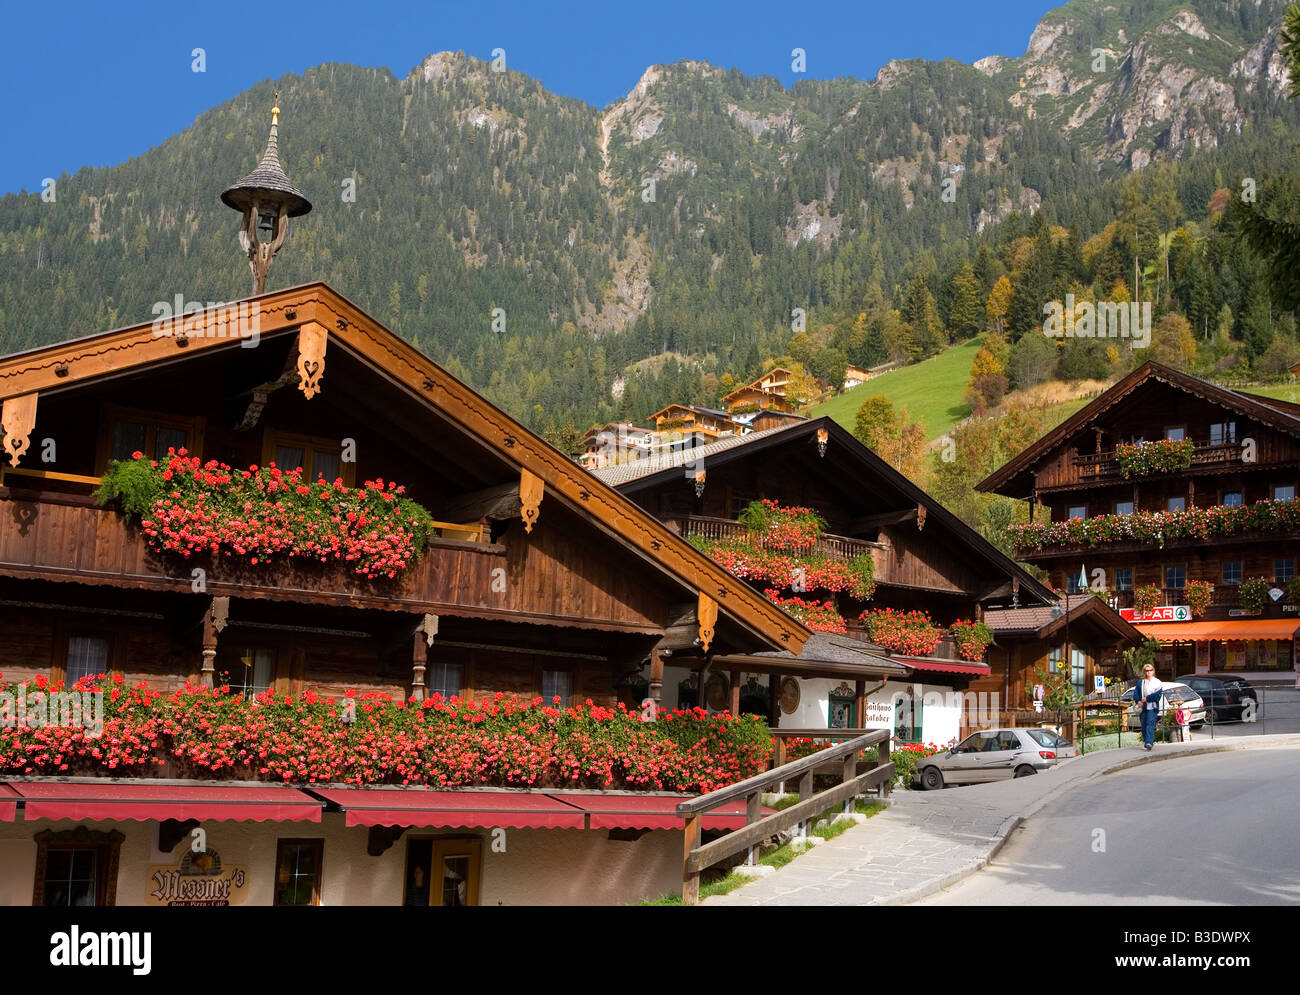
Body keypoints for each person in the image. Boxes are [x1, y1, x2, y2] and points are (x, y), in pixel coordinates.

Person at [1130, 664, 1164, 750]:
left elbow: (1158, 696)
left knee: (1150, 724)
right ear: (1144, 672)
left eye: (1150, 670)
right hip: (1143, 707)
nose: (1149, 672)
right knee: (1144, 725)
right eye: (1147, 670)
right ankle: (1146, 741)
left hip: (1152, 707)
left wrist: (1147, 698)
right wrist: (1138, 701)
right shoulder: (1141, 682)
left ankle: (1149, 742)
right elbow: (1136, 693)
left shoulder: (1157, 682)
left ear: (1153, 671)